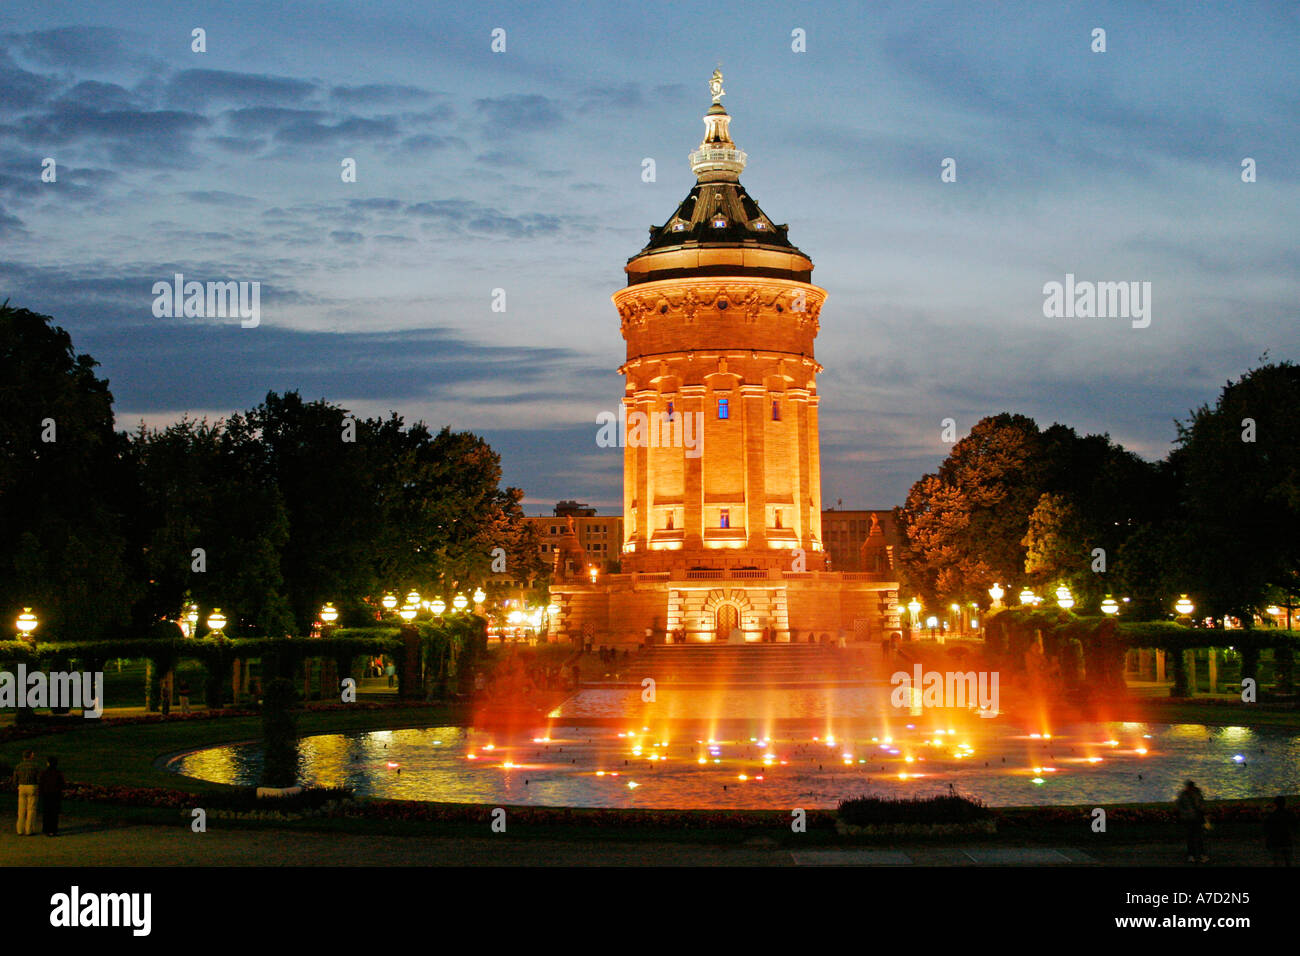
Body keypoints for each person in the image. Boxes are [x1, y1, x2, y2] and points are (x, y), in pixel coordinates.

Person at [1176, 780, 1209, 863]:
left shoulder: (1196, 794)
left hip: (1197, 818)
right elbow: (1180, 806)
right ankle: (1192, 855)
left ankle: (1200, 854)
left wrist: (1202, 809)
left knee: (1199, 837)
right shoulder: (1184, 795)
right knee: (1191, 837)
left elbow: (1202, 803)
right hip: (1189, 819)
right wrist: (1185, 814)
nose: (1189, 788)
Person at [12, 749, 39, 836]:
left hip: (22, 786)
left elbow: (15, 778)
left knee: (21, 809)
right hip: (32, 786)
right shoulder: (35, 766)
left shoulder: (18, 766)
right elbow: (38, 778)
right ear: (30, 756)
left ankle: (20, 829)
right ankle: (29, 829)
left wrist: (17, 785)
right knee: (31, 809)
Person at [39, 756, 65, 837]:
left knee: (47, 812)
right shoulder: (58, 773)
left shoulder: (44, 773)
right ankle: (53, 829)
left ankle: (46, 829)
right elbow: (62, 784)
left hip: (46, 794)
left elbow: (41, 783)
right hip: (56, 794)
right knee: (54, 813)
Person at [1264, 795, 1294, 866]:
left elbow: (1268, 830)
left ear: (1275, 804)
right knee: (1288, 861)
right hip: (1287, 841)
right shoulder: (1289, 814)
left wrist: (1267, 841)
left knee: (1276, 862)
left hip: (1275, 842)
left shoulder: (1272, 816)